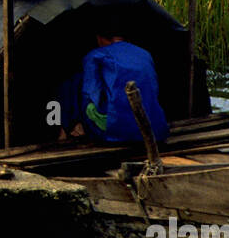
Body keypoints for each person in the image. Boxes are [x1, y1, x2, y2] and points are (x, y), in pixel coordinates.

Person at [58, 14, 168, 144]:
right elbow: (154, 89)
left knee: (73, 82)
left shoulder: (95, 56)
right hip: (153, 129)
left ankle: (70, 129)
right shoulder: (145, 54)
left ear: (99, 38)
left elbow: (91, 93)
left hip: (116, 132)